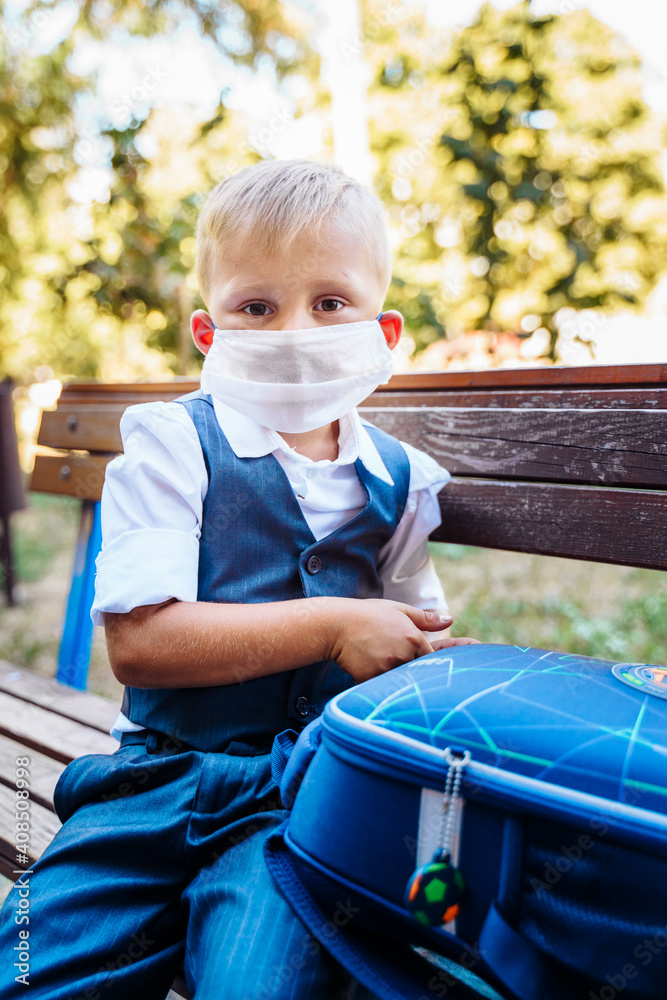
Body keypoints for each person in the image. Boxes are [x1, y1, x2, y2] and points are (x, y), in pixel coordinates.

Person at [0, 159, 478, 1000]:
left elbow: (417, 646)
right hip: (154, 788)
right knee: (30, 963)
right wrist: (332, 624)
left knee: (256, 981)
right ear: (208, 331)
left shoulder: (401, 480)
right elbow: (141, 645)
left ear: (384, 332)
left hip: (302, 806)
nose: (293, 331)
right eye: (256, 307)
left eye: (329, 302)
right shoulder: (173, 444)